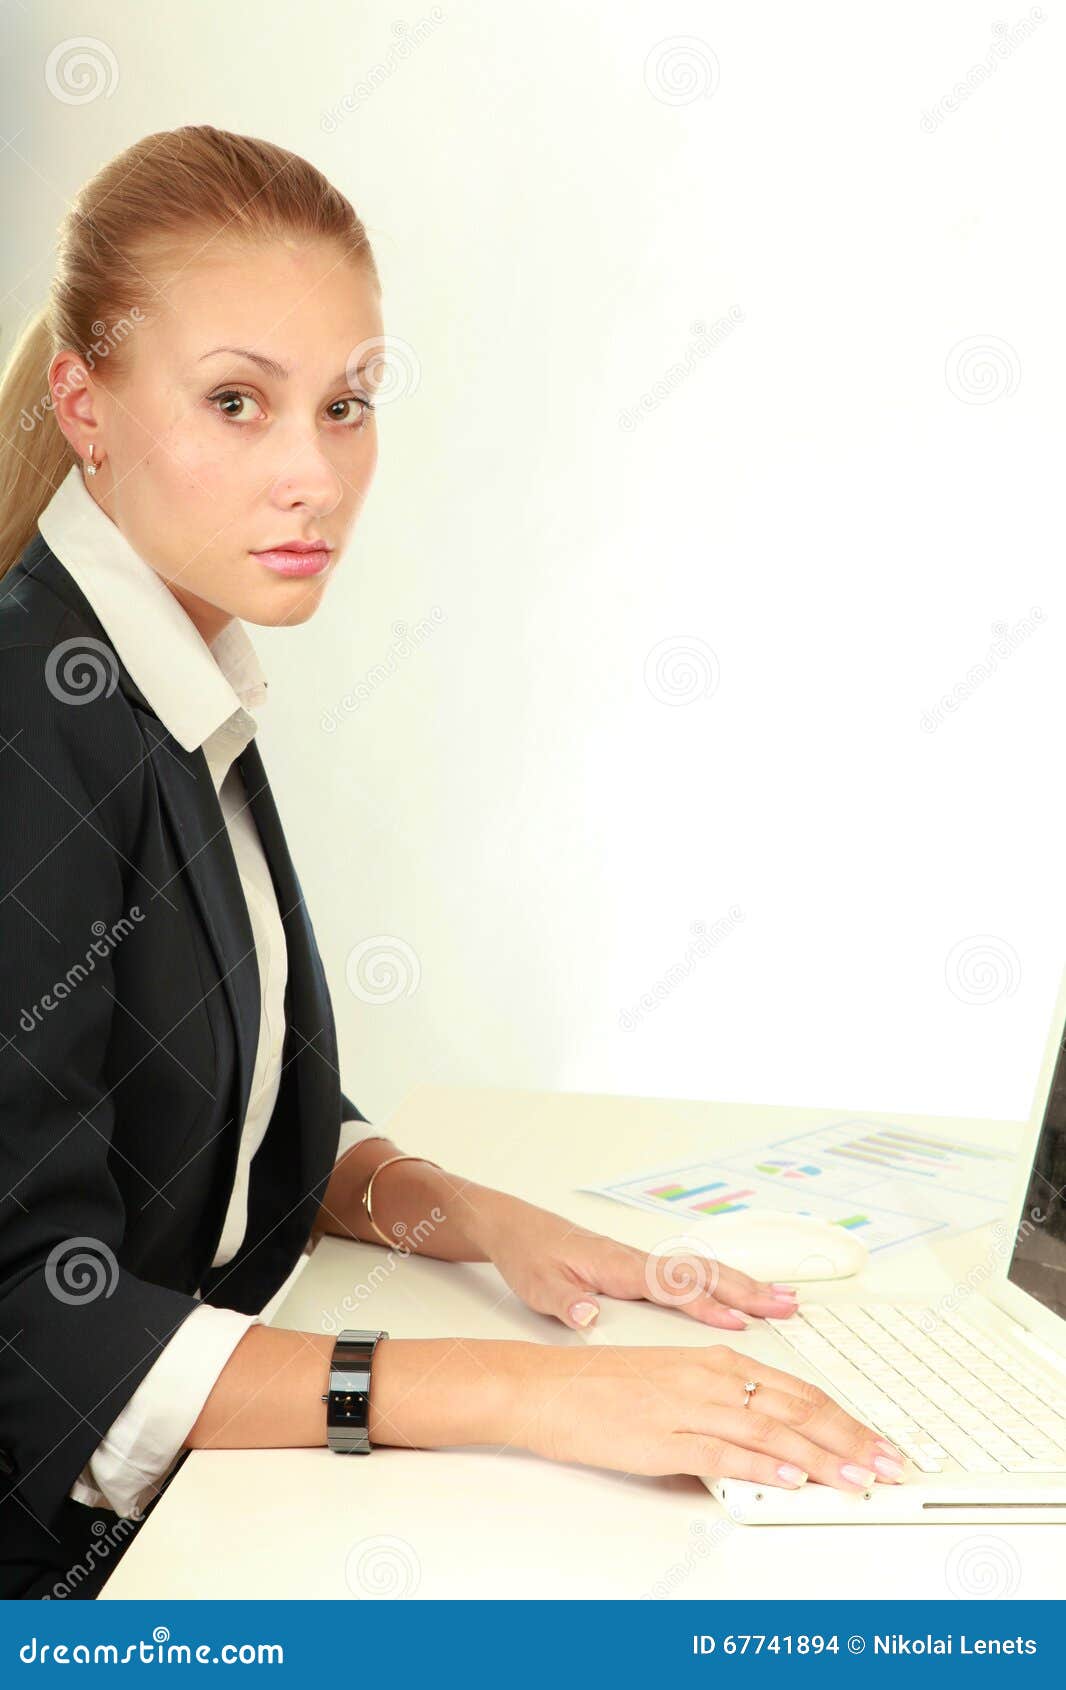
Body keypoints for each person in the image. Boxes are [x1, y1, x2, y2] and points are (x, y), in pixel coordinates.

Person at [0, 124, 903, 1600]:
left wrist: (482, 1219)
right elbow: (38, 1337)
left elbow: (216, 1117)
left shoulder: (159, 672)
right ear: (83, 404)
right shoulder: (33, 727)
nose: (313, 474)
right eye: (237, 402)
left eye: (345, 405)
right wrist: (520, 1393)